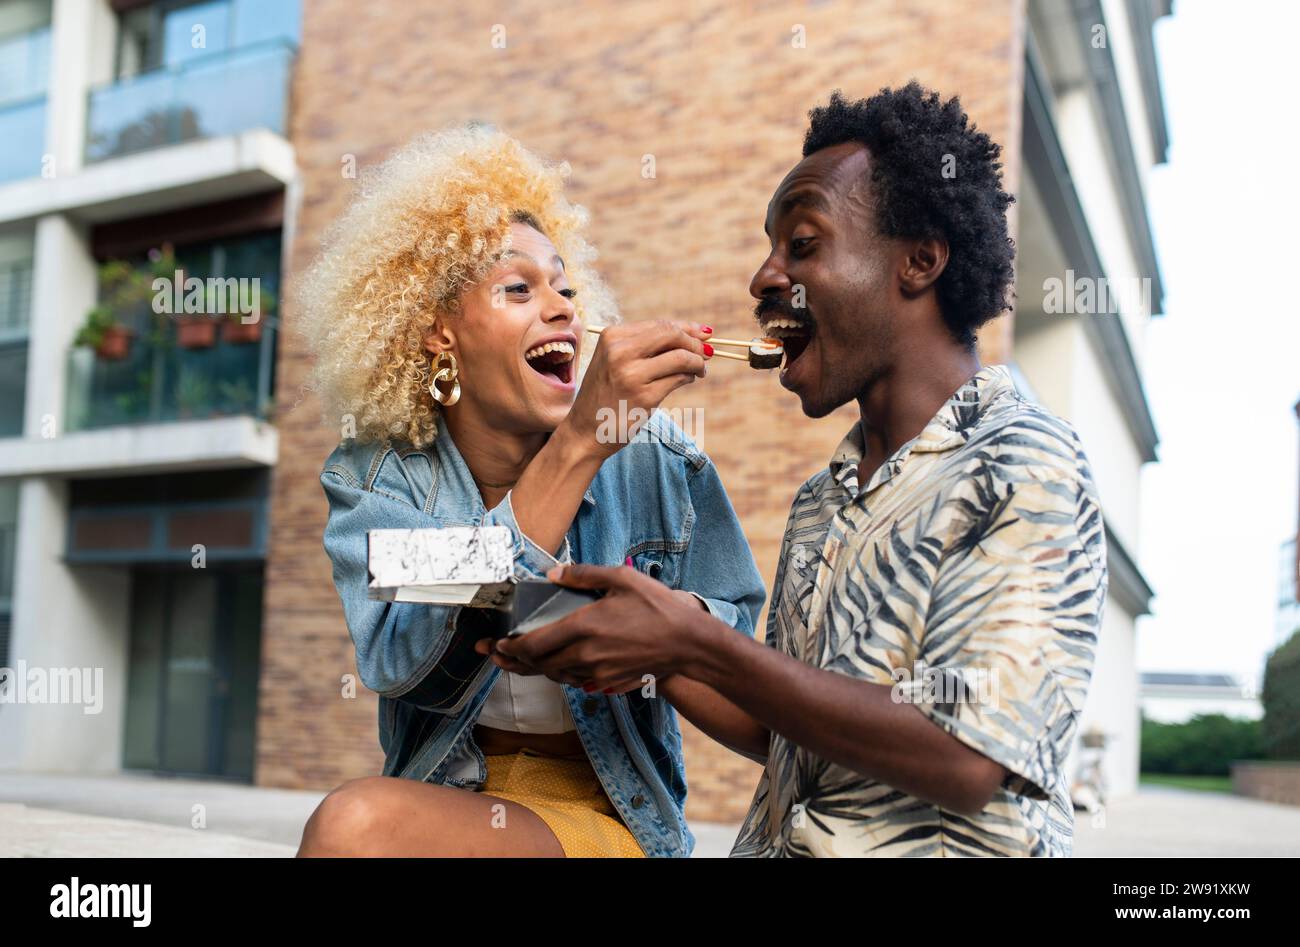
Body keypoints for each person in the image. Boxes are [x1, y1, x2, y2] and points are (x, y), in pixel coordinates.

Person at [492, 84, 1109, 857]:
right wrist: (647, 649)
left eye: (803, 244)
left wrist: (698, 645)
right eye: (770, 247)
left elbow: (970, 753)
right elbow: (786, 726)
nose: (763, 276)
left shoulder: (1027, 461)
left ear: (919, 260)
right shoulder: (823, 498)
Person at [294, 125, 766, 857]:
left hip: (609, 813)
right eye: (519, 287)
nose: (562, 309)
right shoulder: (376, 477)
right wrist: (576, 446)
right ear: (434, 331)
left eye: (566, 288)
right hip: (446, 798)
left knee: (354, 830)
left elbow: (742, 667)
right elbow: (407, 666)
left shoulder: (656, 460)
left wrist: (656, 635)